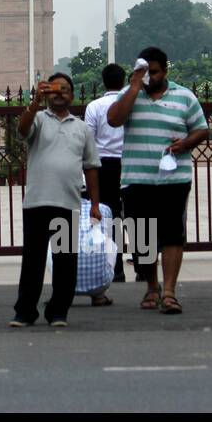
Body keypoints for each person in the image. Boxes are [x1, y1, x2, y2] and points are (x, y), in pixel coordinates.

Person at [105, 46, 209, 316]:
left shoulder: (184, 96)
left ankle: (170, 292)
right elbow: (114, 119)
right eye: (144, 72)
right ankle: (152, 286)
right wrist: (134, 86)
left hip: (174, 177)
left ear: (165, 71)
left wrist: (185, 143)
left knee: (173, 234)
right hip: (136, 178)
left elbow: (202, 128)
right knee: (142, 238)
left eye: (153, 72)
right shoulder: (129, 95)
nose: (149, 77)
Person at [9, 74, 101, 328]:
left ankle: (58, 312)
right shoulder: (38, 119)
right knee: (33, 261)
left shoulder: (81, 128)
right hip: (38, 202)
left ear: (72, 95)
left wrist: (94, 203)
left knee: (65, 262)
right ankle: (25, 313)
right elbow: (21, 130)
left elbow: (91, 166)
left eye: (65, 89)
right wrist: (35, 102)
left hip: (67, 203)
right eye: (54, 89)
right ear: (47, 93)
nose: (60, 93)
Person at [84, 62, 127, 282]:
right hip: (129, 164)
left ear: (103, 81)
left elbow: (88, 140)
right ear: (124, 81)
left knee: (108, 217)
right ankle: (144, 268)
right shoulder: (131, 105)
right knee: (138, 216)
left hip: (103, 166)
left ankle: (115, 267)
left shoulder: (95, 106)